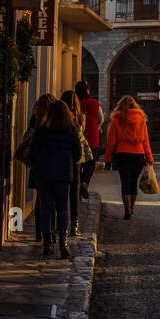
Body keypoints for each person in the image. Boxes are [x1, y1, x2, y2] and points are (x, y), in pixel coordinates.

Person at [28, 100, 82, 259]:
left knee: (46, 208)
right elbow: (78, 155)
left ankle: (47, 244)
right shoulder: (71, 131)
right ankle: (63, 243)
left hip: (44, 174)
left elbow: (33, 153)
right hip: (63, 174)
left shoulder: (42, 131)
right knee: (63, 208)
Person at [104, 95, 154, 220]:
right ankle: (132, 208)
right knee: (133, 182)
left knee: (125, 182)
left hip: (123, 155)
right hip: (138, 155)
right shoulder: (141, 119)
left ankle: (127, 210)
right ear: (135, 105)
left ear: (120, 105)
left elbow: (111, 142)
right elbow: (145, 141)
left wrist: (107, 158)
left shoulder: (116, 120)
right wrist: (149, 158)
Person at [17, 93, 56, 247]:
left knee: (40, 199)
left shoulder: (35, 118)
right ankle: (50, 232)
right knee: (50, 201)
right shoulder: (55, 120)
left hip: (37, 163)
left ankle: (40, 232)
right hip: (51, 164)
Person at [61, 90, 91, 237]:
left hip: (62, 157)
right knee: (74, 193)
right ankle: (75, 223)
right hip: (76, 158)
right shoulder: (80, 118)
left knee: (61, 193)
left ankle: (61, 225)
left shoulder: (60, 118)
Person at [75, 79, 104, 198]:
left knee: (78, 164)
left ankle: (77, 187)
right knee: (90, 164)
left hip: (77, 137)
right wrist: (97, 127)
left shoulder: (75, 103)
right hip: (92, 137)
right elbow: (101, 119)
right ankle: (84, 183)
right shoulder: (94, 103)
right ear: (87, 91)